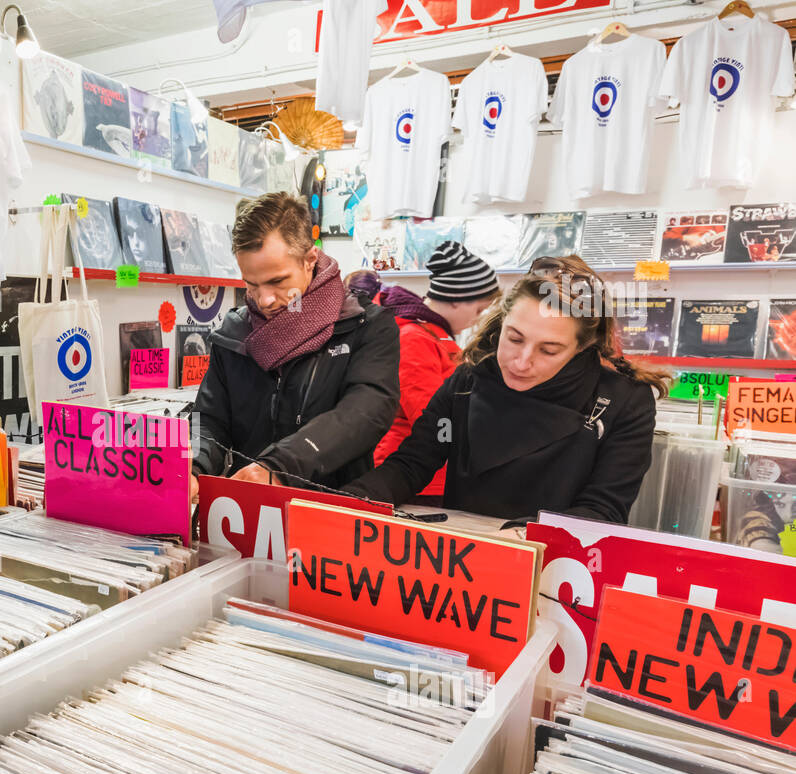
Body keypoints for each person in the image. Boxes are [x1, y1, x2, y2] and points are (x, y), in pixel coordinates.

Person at [345, 256, 672, 525]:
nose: (521, 361)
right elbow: (413, 463)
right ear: (501, 323)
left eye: (549, 350)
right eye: (514, 338)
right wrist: (350, 499)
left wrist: (522, 540)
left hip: (555, 570)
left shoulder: (624, 402)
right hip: (462, 558)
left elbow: (603, 510)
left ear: (583, 346)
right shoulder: (470, 378)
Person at [190, 191, 399, 498]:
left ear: (310, 260)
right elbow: (207, 420)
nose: (265, 300)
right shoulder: (234, 332)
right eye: (251, 284)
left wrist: (280, 466)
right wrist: (192, 466)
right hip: (247, 514)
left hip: (332, 512)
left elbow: (364, 413)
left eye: (277, 281)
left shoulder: (366, 326)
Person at [351, 241, 501, 501]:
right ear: (456, 298)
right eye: (478, 310)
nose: (478, 319)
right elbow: (430, 415)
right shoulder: (414, 338)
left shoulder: (435, 335)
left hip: (435, 476)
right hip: (414, 479)